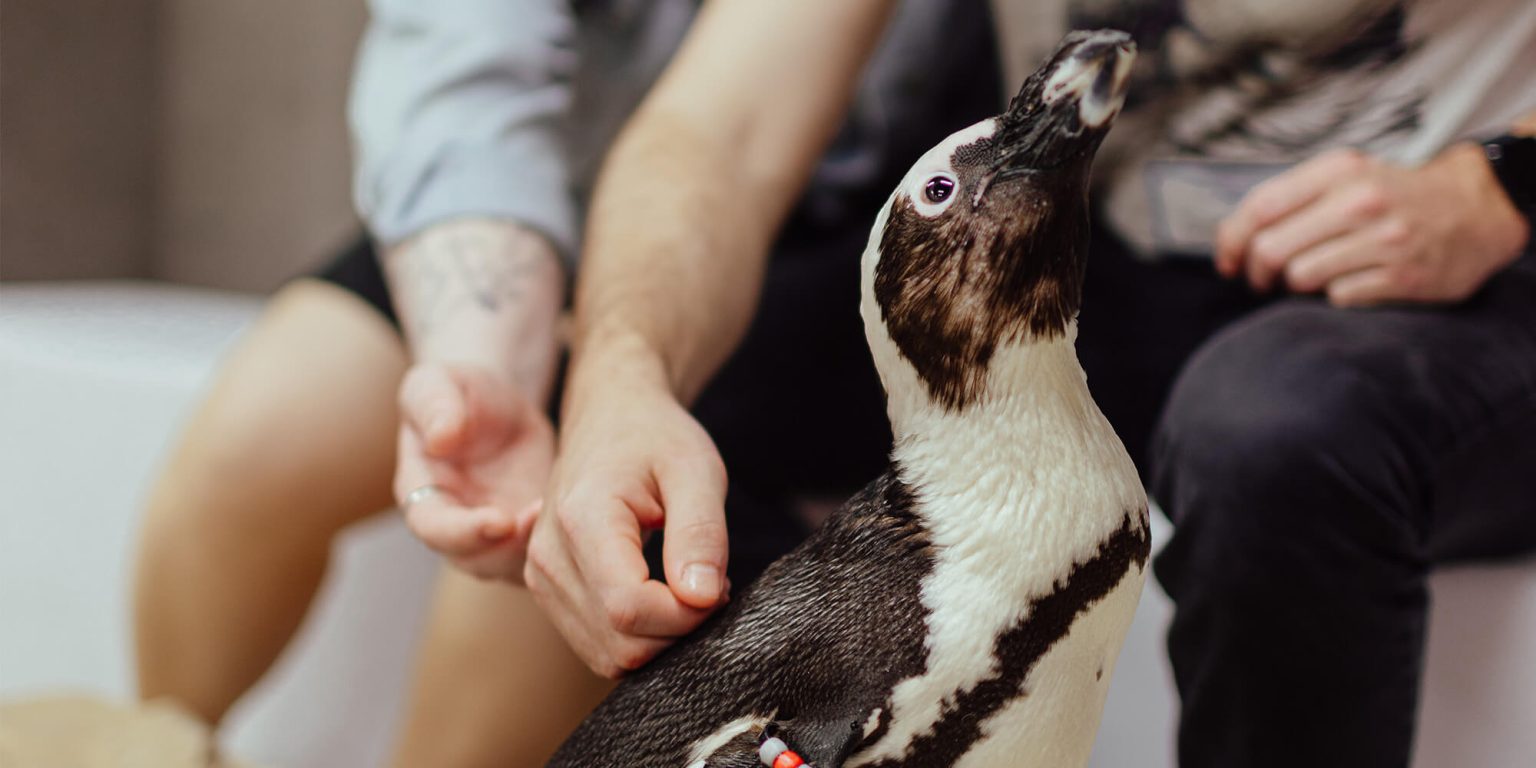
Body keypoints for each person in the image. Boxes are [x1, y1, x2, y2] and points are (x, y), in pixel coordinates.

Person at [503, 1, 1535, 766]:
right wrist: (621, 379)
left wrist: (1495, 185)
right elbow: (720, 131)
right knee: (676, 402)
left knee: (1277, 434)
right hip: (1107, 251)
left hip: (1474, 269)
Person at [132, 0, 999, 765]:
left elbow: (730, 137)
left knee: (554, 568)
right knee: (259, 439)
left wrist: (603, 390)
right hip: (552, 178)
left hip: (812, 238)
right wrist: (485, 365)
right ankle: (160, 746)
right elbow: (461, 61)